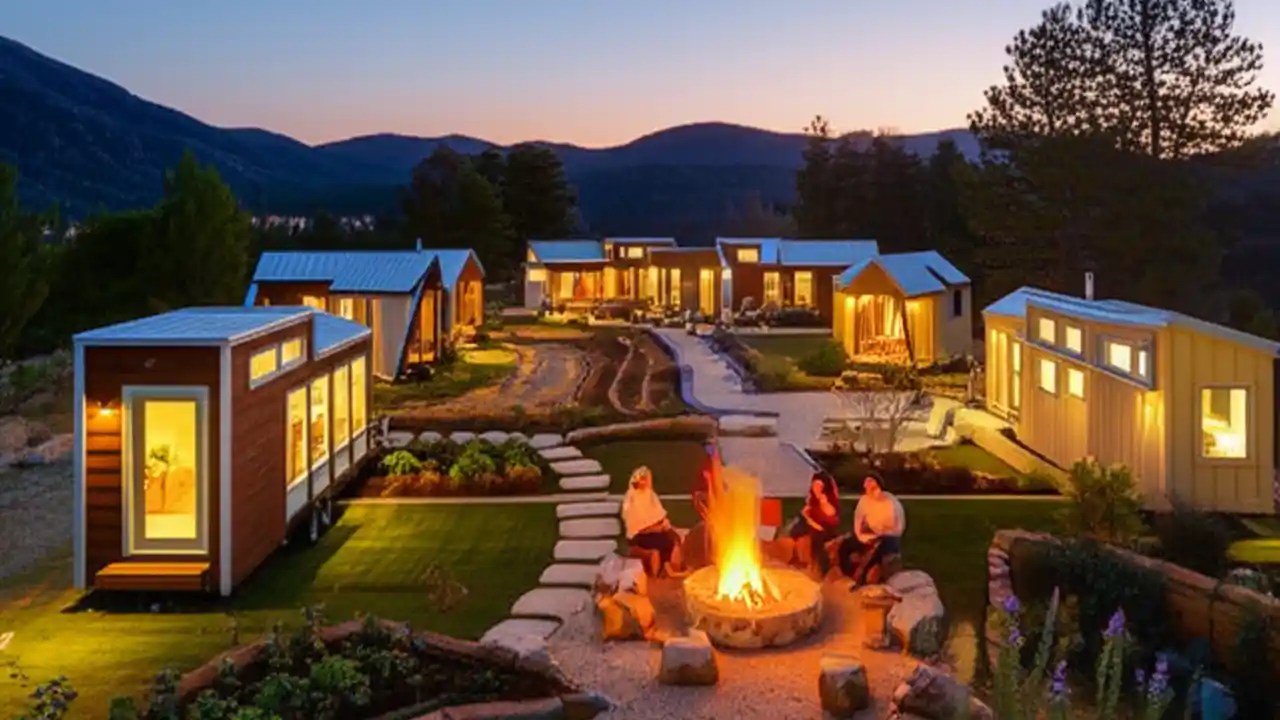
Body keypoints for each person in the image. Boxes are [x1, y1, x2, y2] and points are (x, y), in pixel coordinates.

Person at [838, 472, 905, 589]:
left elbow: (898, 528)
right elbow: (858, 522)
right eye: (867, 487)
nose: (869, 490)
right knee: (845, 545)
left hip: (888, 536)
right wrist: (862, 537)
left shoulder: (891, 503)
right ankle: (847, 575)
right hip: (869, 535)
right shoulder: (864, 501)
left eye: (872, 487)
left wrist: (881, 535)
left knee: (878, 549)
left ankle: (862, 577)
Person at [622, 466, 685, 576]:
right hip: (640, 536)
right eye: (642, 479)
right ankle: (656, 576)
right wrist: (654, 528)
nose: (644, 482)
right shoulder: (631, 499)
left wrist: (665, 525)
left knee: (676, 538)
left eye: (646, 479)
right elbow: (637, 526)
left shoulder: (651, 495)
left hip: (656, 532)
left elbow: (659, 516)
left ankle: (673, 570)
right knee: (660, 545)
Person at [787, 471, 841, 574]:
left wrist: (822, 502)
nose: (816, 488)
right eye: (814, 485)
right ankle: (796, 558)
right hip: (812, 524)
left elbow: (831, 517)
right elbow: (807, 514)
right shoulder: (812, 498)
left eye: (819, 486)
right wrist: (807, 516)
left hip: (825, 527)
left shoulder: (826, 499)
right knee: (797, 529)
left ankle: (823, 569)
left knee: (817, 539)